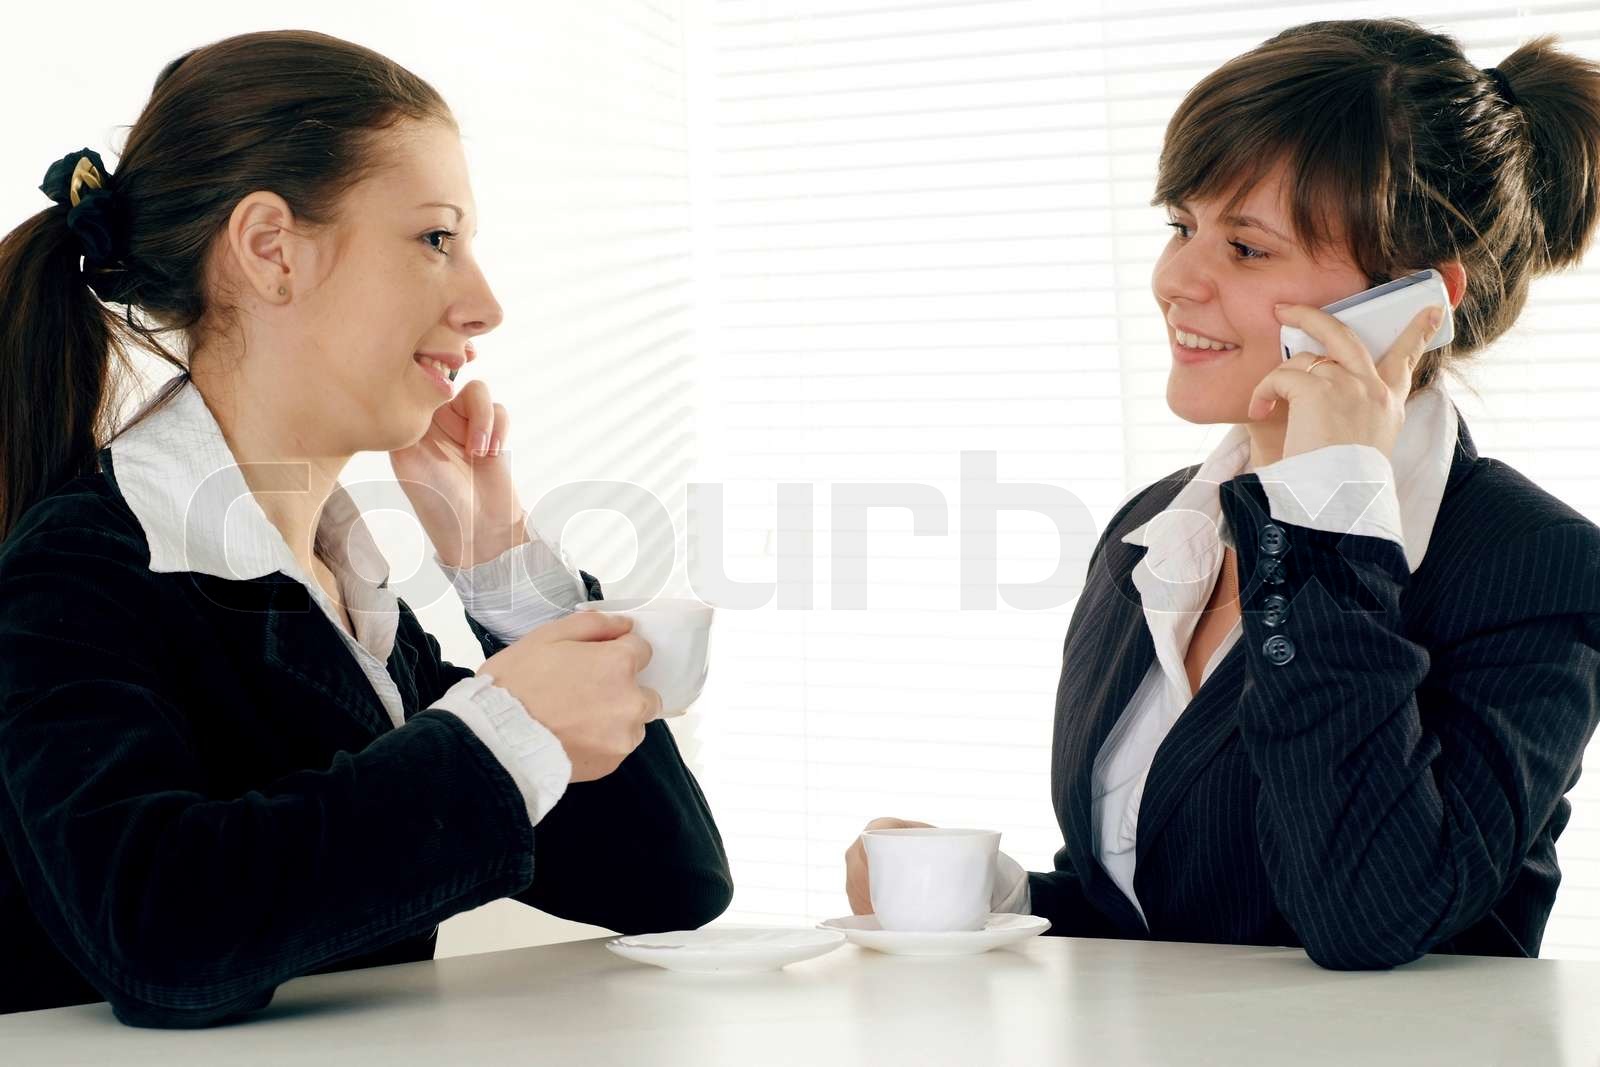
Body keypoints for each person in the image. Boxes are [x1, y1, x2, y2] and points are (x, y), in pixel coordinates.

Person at [0, 30, 730, 1025]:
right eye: (436, 239)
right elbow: (158, 930)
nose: (484, 304)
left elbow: (666, 884)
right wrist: (503, 730)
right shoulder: (73, 574)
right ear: (272, 249)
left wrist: (502, 567)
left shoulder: (345, 598)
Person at [845, 19, 1600, 970]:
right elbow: (1186, 914)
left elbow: (1367, 914)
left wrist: (1331, 507)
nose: (1174, 280)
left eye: (1245, 247)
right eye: (1181, 226)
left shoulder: (1532, 563)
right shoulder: (1156, 530)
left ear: (1416, 303)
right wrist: (1000, 900)